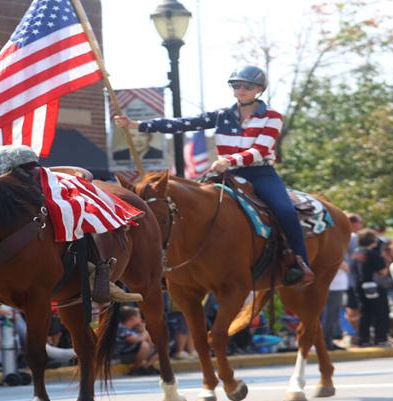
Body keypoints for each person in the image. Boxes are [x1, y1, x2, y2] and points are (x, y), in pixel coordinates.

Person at [116, 65, 313, 287]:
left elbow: (260, 150)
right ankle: (175, 263)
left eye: (247, 86)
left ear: (259, 89)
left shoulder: (272, 116)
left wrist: (230, 160)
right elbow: (183, 123)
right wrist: (137, 125)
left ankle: (299, 262)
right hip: (223, 173)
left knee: (285, 210)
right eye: (236, 84)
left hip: (259, 173)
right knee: (187, 206)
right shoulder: (222, 115)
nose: (241, 89)